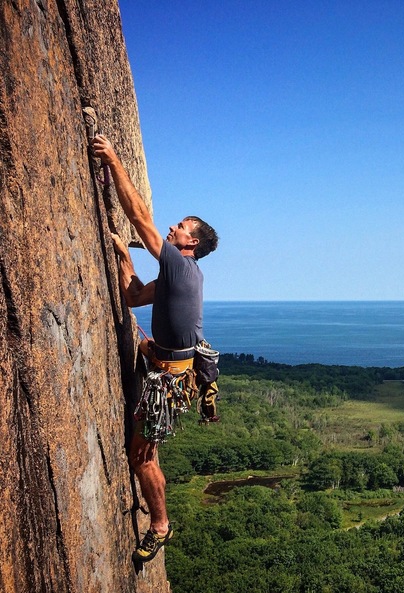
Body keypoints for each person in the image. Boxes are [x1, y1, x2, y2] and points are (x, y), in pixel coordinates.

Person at [92, 134, 218, 563]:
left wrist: (112, 159)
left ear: (191, 244)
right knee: (149, 451)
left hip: (166, 379)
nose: (171, 228)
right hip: (163, 373)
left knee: (140, 456)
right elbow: (132, 297)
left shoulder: (181, 267)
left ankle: (161, 525)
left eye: (180, 227)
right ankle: (157, 507)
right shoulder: (176, 274)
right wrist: (120, 256)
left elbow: (140, 215)